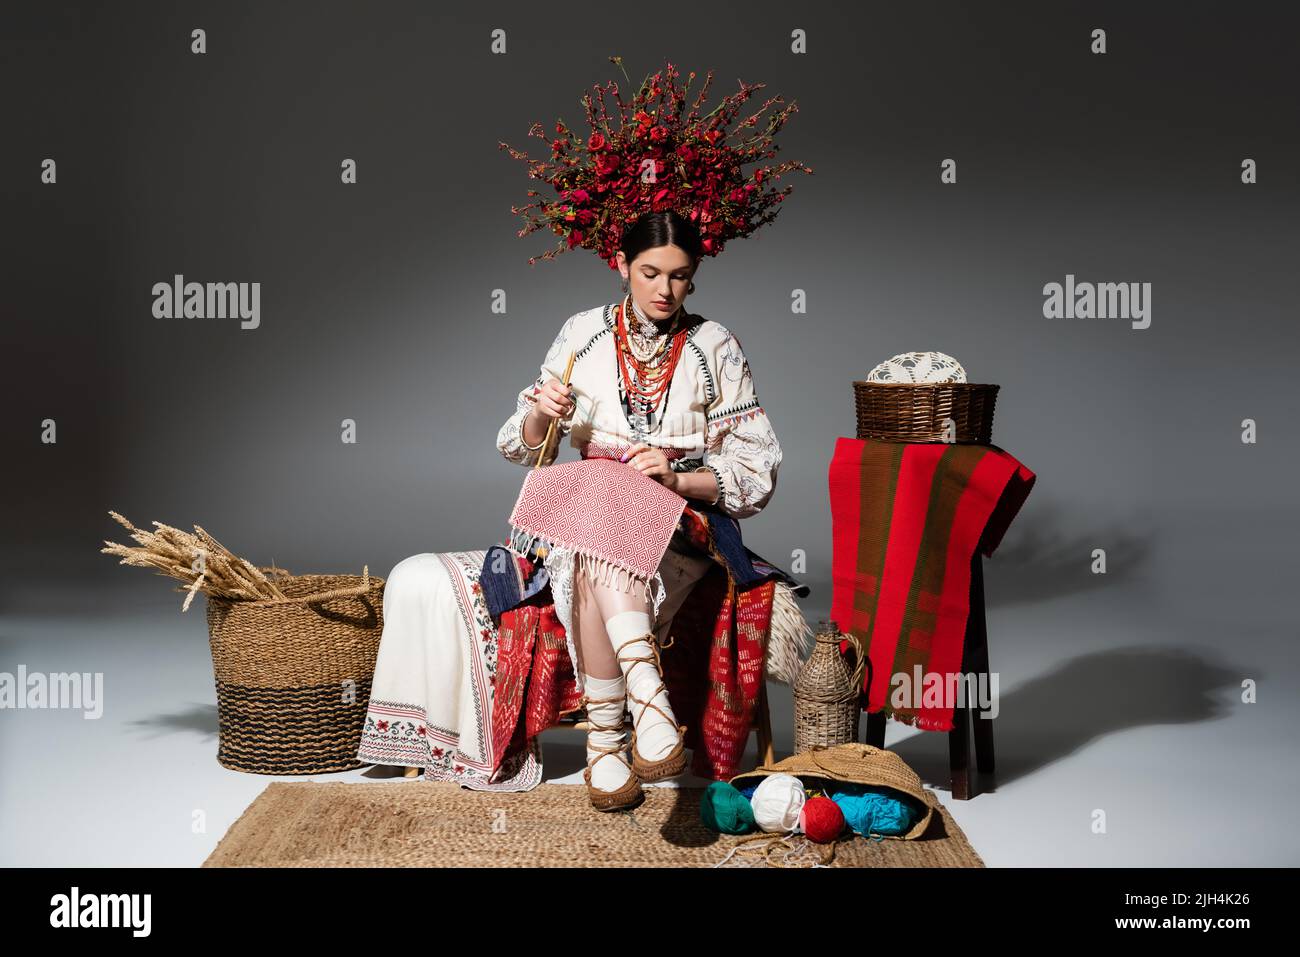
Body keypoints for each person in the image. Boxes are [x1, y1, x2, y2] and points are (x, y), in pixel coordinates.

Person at [358, 211, 787, 810]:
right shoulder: (582, 332)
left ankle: (607, 745)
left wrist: (679, 477)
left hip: (677, 525)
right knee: (593, 489)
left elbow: (757, 471)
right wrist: (542, 411)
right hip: (583, 516)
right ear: (622, 267)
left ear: (695, 278)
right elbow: (522, 444)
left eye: (680, 276)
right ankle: (646, 699)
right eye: (650, 273)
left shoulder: (715, 347)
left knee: (598, 502)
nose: (665, 290)